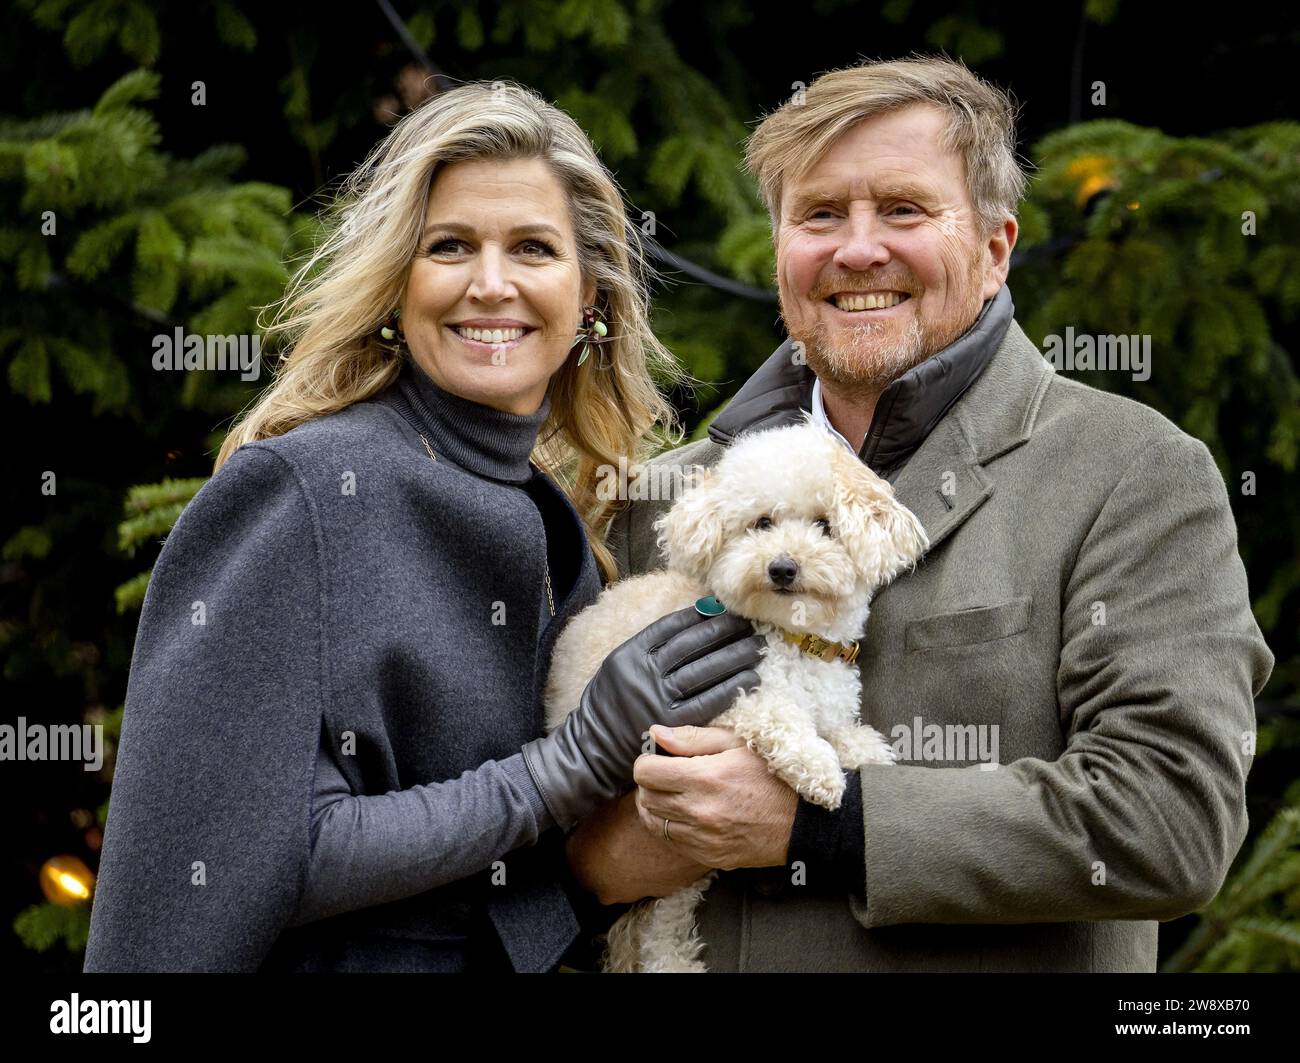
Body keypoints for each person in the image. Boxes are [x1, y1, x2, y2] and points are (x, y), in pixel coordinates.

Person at [570, 55, 1275, 972]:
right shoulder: (664, 501)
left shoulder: (1134, 475)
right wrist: (591, 868)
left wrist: (826, 826)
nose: (858, 250)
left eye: (903, 210)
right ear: (782, 250)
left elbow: (1168, 820)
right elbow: (545, 834)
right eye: (819, 215)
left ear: (994, 249)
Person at [82, 81, 764, 973]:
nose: (491, 283)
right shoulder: (302, 491)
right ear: (398, 285)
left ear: (590, 296)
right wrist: (570, 765)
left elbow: (495, 887)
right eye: (449, 247)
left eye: (532, 247)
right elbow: (256, 860)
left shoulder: (561, 527)